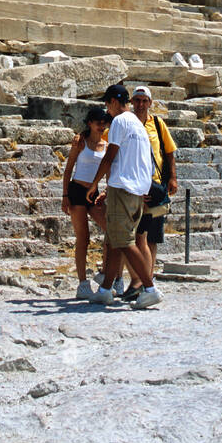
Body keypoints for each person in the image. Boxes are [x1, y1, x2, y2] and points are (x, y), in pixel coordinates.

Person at [85, 87, 162, 310]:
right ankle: (105, 290)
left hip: (123, 188)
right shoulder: (139, 125)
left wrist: (94, 184)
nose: (106, 110)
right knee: (115, 240)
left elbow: (111, 156)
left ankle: (149, 289)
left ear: (113, 102)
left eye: (107, 104)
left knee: (125, 242)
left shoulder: (119, 122)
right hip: (137, 190)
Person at [121, 86, 178, 304]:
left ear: (150, 103)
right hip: (135, 186)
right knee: (133, 237)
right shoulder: (127, 122)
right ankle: (138, 281)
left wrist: (172, 178)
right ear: (132, 102)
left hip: (154, 186)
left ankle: (147, 280)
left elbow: (169, 152)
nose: (141, 104)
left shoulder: (157, 124)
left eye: (145, 100)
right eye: (137, 100)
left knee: (151, 237)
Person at [62, 105, 114, 299]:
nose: (102, 126)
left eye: (104, 123)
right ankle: (83, 283)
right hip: (77, 190)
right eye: (98, 122)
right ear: (90, 123)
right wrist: (65, 196)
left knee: (111, 230)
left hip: (95, 192)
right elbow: (68, 170)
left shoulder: (107, 145)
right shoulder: (80, 142)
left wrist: (107, 192)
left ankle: (104, 274)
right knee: (83, 237)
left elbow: (108, 172)